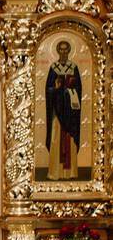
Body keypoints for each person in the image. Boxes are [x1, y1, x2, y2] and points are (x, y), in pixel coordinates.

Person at [45, 39, 81, 181]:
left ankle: (70, 172)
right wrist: (57, 88)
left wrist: (70, 91)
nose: (64, 52)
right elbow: (48, 90)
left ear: (69, 51)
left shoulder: (74, 67)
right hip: (57, 112)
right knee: (56, 139)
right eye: (62, 49)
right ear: (58, 51)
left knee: (69, 140)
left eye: (66, 49)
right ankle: (55, 172)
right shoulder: (54, 68)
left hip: (70, 114)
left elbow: (78, 89)